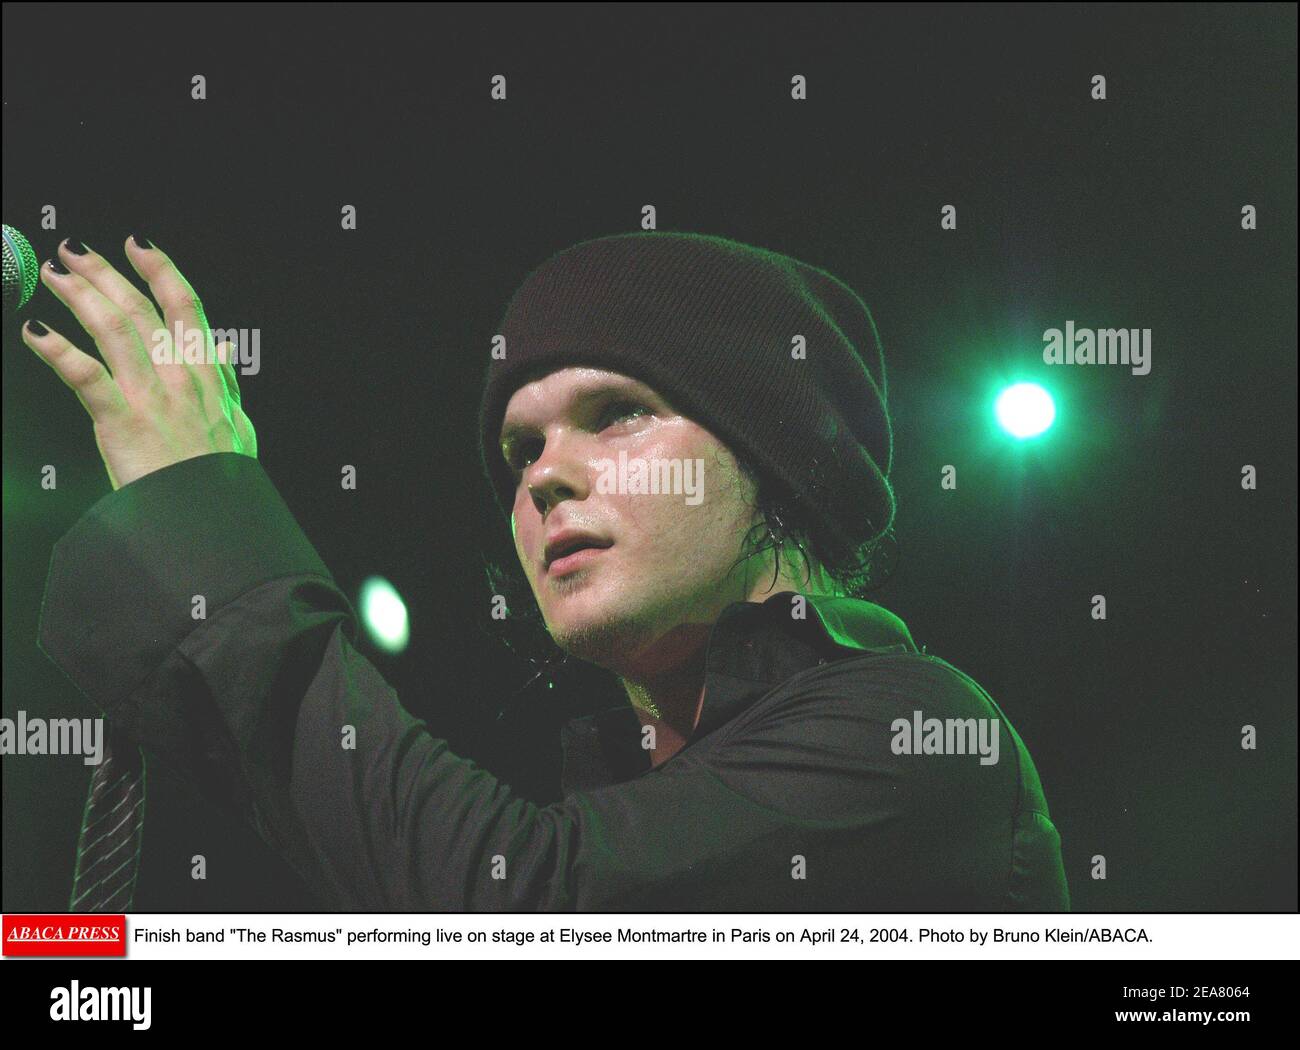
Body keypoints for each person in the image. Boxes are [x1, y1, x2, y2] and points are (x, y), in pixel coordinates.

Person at [26, 230, 1070, 911]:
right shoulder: (594, 792)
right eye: (519, 451)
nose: (546, 478)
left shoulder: (912, 734)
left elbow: (514, 905)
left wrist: (207, 516)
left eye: (616, 414)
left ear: (774, 461)